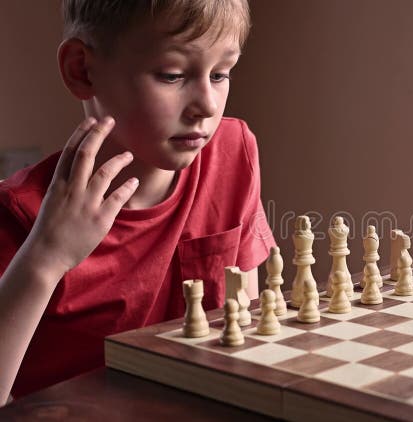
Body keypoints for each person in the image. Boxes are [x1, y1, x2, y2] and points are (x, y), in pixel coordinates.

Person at [0, 0, 275, 403]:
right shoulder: (19, 216)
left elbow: (247, 330)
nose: (208, 106)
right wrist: (45, 259)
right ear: (82, 69)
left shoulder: (233, 152)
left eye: (220, 74)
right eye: (172, 75)